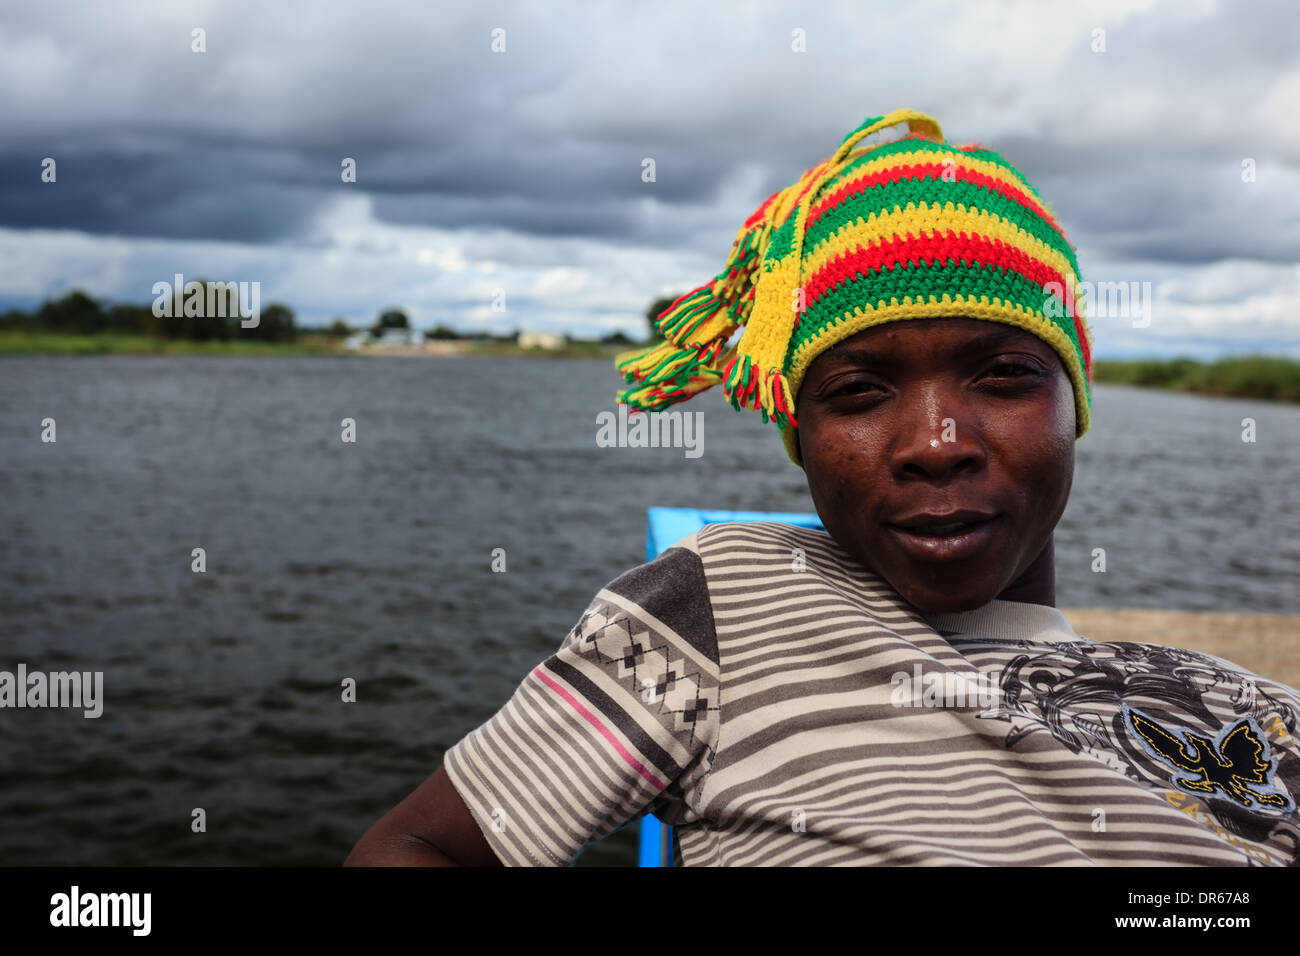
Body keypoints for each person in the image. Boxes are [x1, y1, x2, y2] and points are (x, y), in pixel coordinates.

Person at [345, 108, 1300, 867]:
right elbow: (420, 846)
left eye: (1005, 374)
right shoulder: (722, 601)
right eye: (858, 391)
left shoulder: (1248, 716)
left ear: (1073, 402)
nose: (936, 443)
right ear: (797, 432)